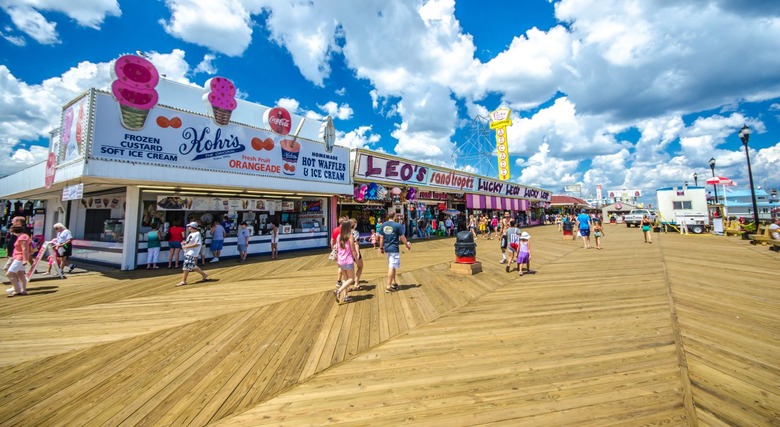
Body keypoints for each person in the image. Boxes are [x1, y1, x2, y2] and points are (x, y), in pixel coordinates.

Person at [378, 211, 412, 293]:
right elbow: (402, 237)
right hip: (394, 248)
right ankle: (388, 286)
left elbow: (381, 238)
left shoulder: (383, 225)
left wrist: (381, 248)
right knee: (391, 266)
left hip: (387, 248)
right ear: (395, 216)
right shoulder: (397, 225)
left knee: (392, 265)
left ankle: (393, 282)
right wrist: (407, 245)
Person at [176, 222, 210, 286]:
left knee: (186, 266)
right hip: (189, 252)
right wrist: (185, 243)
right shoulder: (191, 234)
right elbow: (190, 242)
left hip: (192, 252)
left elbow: (197, 243)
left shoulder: (197, 234)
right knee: (192, 266)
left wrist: (186, 246)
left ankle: (184, 281)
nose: (188, 228)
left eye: (189, 226)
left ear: (192, 227)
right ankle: (204, 274)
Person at [334, 220, 357, 304]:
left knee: (345, 278)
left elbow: (337, 248)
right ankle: (338, 291)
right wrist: (356, 259)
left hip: (340, 260)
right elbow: (353, 250)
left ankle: (345, 296)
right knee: (351, 279)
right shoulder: (350, 236)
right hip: (348, 260)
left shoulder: (339, 236)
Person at [6, 226, 30, 297]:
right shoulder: (22, 236)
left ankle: (17, 290)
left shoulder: (22, 237)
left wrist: (25, 259)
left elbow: (24, 248)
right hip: (18, 257)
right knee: (20, 274)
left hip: (20, 258)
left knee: (9, 273)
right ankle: (23, 290)